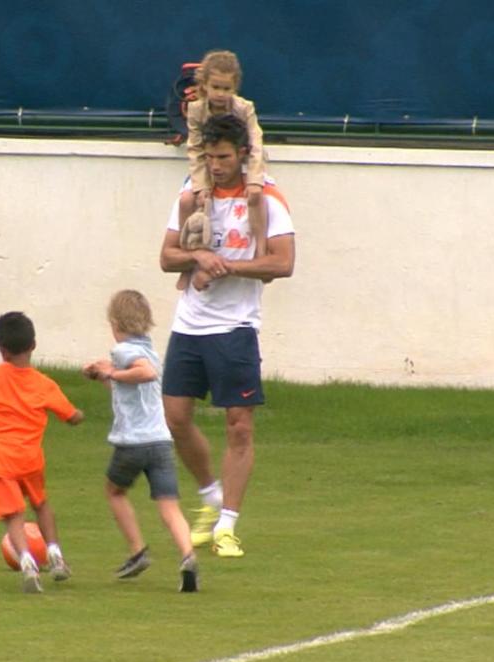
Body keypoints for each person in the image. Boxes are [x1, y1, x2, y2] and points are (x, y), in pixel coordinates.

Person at [158, 113, 296, 558]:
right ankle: (211, 497)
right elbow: (166, 257)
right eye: (209, 157)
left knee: (239, 425)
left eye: (223, 157)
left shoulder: (268, 197)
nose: (215, 166)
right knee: (175, 418)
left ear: (242, 155)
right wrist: (198, 255)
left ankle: (228, 526)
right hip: (190, 323)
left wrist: (229, 266)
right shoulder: (192, 193)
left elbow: (283, 263)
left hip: (236, 327)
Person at [0, 311, 85, 593]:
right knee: (41, 504)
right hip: (29, 458)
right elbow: (70, 415)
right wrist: (79, 414)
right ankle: (55, 556)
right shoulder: (44, 384)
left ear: (1, 350)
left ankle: (28, 562)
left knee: (14, 515)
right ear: (34, 344)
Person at [82, 290, 198, 593]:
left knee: (114, 491)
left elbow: (144, 374)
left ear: (116, 323)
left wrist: (111, 370)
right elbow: (127, 388)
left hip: (133, 442)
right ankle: (188, 555)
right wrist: (104, 377)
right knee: (169, 506)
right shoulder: (149, 349)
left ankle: (137, 551)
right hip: (161, 441)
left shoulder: (123, 352)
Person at [177, 49, 269, 292]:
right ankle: (190, 259)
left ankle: (260, 248)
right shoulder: (196, 110)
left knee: (256, 196)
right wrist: (201, 186)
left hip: (242, 162)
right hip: (209, 164)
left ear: (235, 87)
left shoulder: (244, 108)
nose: (221, 94)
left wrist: (254, 179)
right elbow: (195, 149)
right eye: (216, 87)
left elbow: (255, 143)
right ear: (205, 85)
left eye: (227, 89)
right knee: (191, 200)